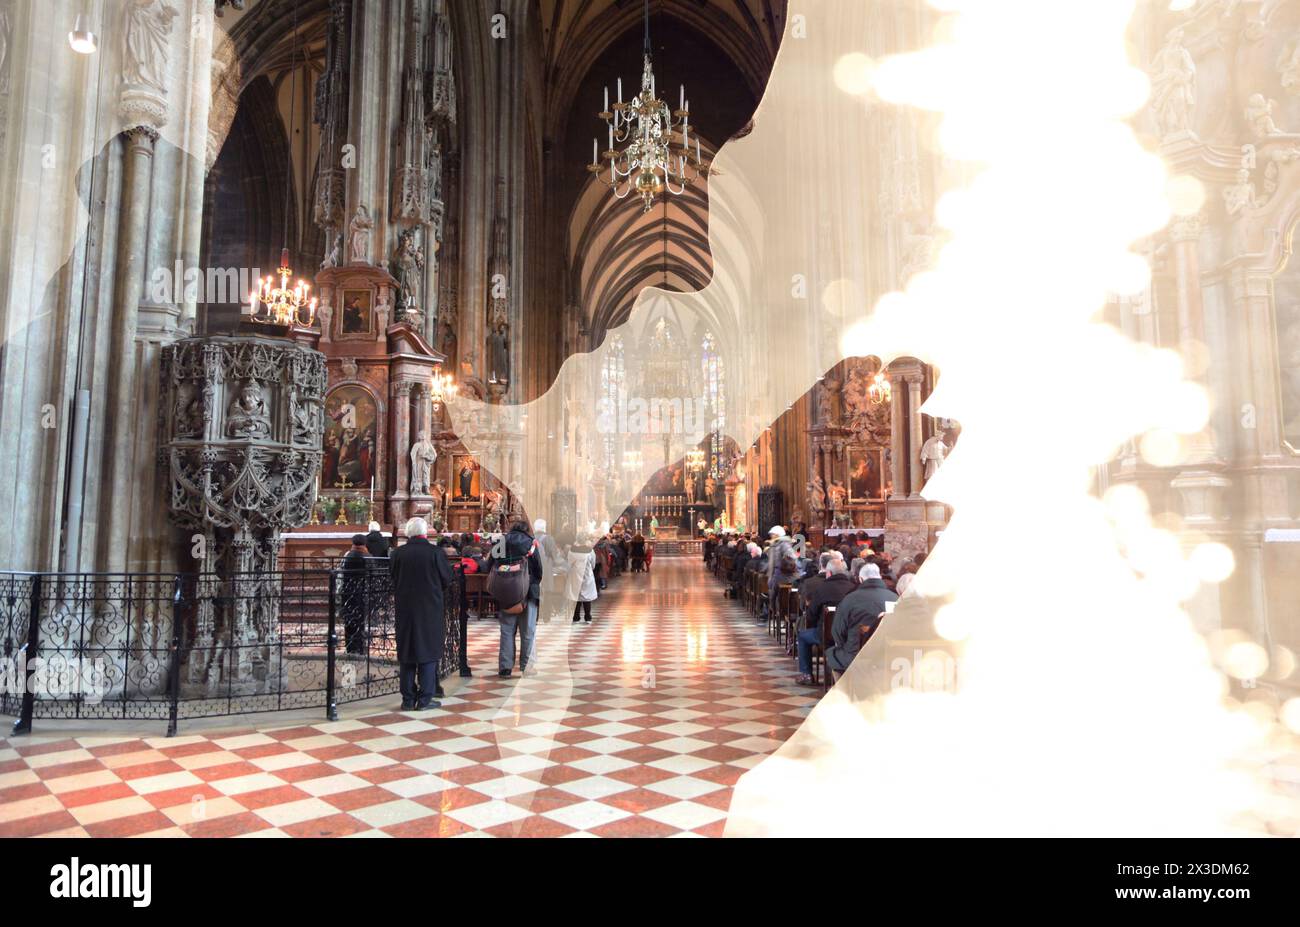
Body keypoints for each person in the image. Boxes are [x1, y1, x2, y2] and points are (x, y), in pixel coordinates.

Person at [390, 517, 453, 710]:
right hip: (430, 609)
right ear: (425, 533)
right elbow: (447, 579)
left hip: (405, 609)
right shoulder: (435, 553)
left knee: (407, 652)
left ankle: (407, 700)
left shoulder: (397, 554)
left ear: (408, 533)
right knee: (428, 651)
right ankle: (425, 699)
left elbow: (392, 578)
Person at [489, 520, 542, 677]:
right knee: (528, 631)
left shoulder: (500, 541)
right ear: (526, 530)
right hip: (528, 592)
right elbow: (539, 568)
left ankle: (505, 667)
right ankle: (527, 666)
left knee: (506, 630)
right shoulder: (531, 543)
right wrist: (531, 583)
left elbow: (490, 564)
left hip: (505, 591)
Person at [826, 563, 897, 678]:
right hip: (887, 655)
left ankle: (844, 691)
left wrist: (845, 645)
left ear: (860, 579)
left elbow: (837, 632)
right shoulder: (895, 598)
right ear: (879, 577)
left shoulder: (850, 599)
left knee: (831, 654)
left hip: (855, 655)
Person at [795, 557, 856, 685]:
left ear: (828, 573)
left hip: (825, 635)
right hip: (847, 635)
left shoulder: (822, 589)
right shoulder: (853, 587)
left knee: (802, 636)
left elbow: (811, 615)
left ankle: (807, 674)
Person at [340, 534, 369, 655]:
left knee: (349, 620)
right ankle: (359, 647)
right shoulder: (367, 557)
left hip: (347, 592)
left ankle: (350, 647)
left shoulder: (347, 555)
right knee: (359, 621)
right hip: (361, 593)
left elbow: (341, 571)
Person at [566, 532, 598, 624]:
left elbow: (569, 563)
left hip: (575, 574)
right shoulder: (590, 550)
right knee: (587, 597)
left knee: (576, 596)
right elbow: (593, 563)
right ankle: (588, 617)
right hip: (586, 574)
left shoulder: (572, 550)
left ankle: (576, 617)